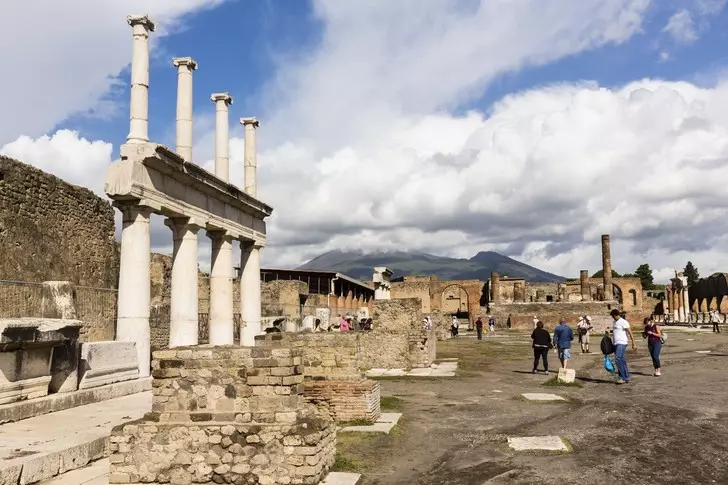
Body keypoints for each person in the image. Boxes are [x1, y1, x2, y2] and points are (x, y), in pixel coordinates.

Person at [611, 309, 636, 384]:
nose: (612, 317)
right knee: (621, 360)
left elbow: (630, 332)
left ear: (616, 315)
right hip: (615, 343)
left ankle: (622, 377)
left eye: (613, 316)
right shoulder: (614, 322)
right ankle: (627, 377)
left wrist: (633, 343)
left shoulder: (623, 322)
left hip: (622, 343)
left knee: (618, 359)